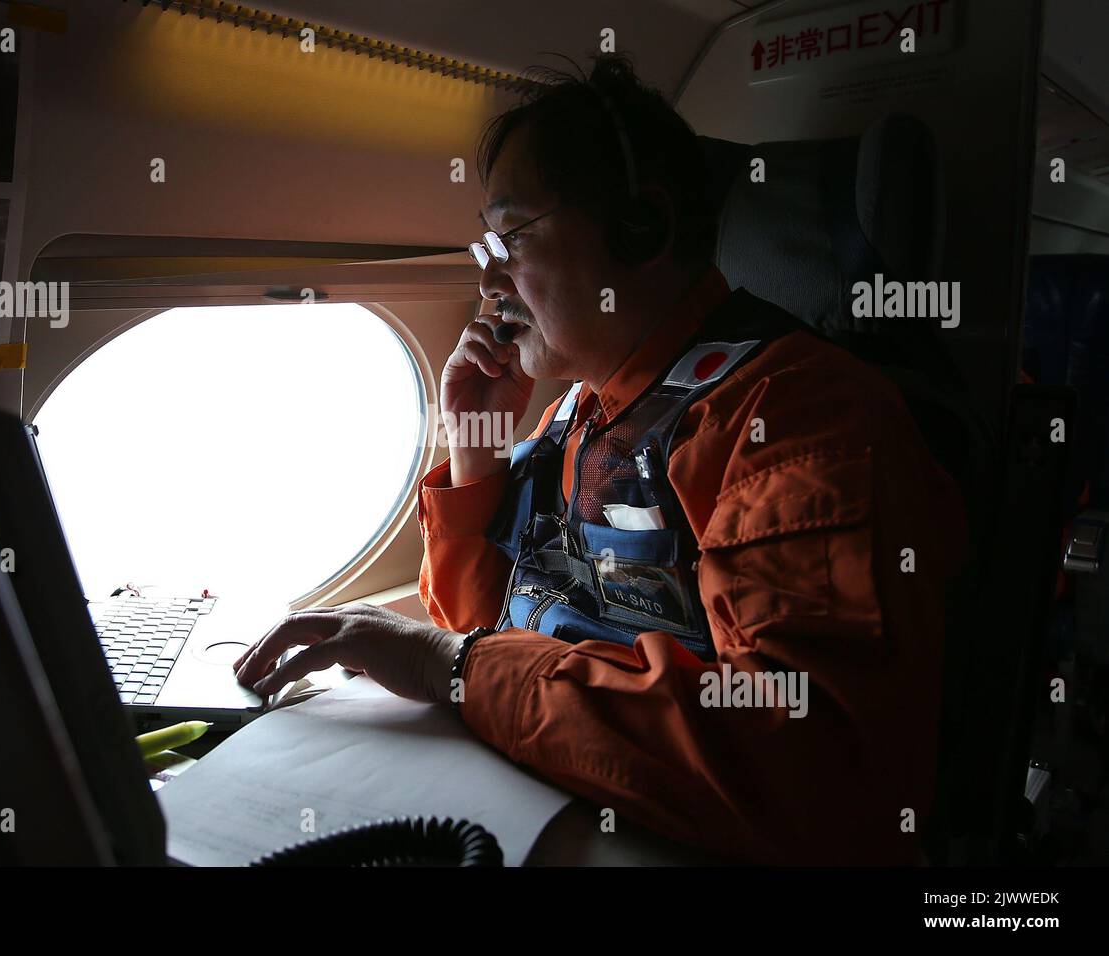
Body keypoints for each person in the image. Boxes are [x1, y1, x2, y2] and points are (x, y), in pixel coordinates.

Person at [234, 53, 968, 864]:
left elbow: (801, 763)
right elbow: (493, 634)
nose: (491, 283)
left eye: (511, 236)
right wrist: (476, 453)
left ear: (640, 226)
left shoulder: (798, 414)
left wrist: (449, 666)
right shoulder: (574, 414)